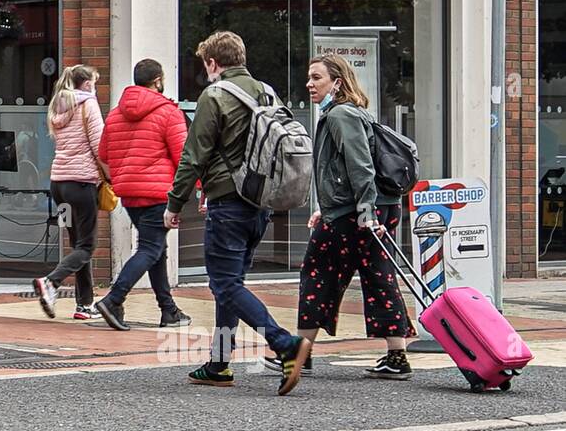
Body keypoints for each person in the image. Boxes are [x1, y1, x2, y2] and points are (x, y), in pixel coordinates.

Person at [165, 31, 312, 395]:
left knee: (225, 284)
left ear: (213, 63)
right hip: (260, 202)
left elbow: (194, 155)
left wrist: (174, 202)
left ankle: (284, 344)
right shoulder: (266, 91)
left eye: (205, 65)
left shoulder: (214, 95)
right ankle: (219, 363)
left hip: (228, 202)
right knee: (231, 284)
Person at [263, 55, 416, 379]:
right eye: (309, 77)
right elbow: (342, 170)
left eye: (316, 78)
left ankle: (301, 353)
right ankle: (397, 355)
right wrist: (331, 207)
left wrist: (363, 209)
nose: (309, 84)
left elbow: (359, 164)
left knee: (318, 273)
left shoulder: (341, 115)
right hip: (367, 208)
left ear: (337, 82)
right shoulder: (350, 112)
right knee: (378, 275)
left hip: (355, 214)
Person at [94, 58, 192, 330]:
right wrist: (192, 188)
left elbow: (103, 155)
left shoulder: (115, 114)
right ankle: (114, 299)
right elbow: (184, 156)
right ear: (158, 80)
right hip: (160, 193)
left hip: (129, 194)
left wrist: (122, 177)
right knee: (150, 248)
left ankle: (168, 310)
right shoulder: (168, 112)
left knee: (156, 249)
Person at [34, 64, 107, 320]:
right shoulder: (88, 104)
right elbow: (100, 145)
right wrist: (109, 175)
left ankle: (84, 305)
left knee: (78, 243)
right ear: (86, 84)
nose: (95, 87)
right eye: (94, 83)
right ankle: (51, 282)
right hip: (81, 183)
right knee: (87, 245)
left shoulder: (58, 105)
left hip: (59, 185)